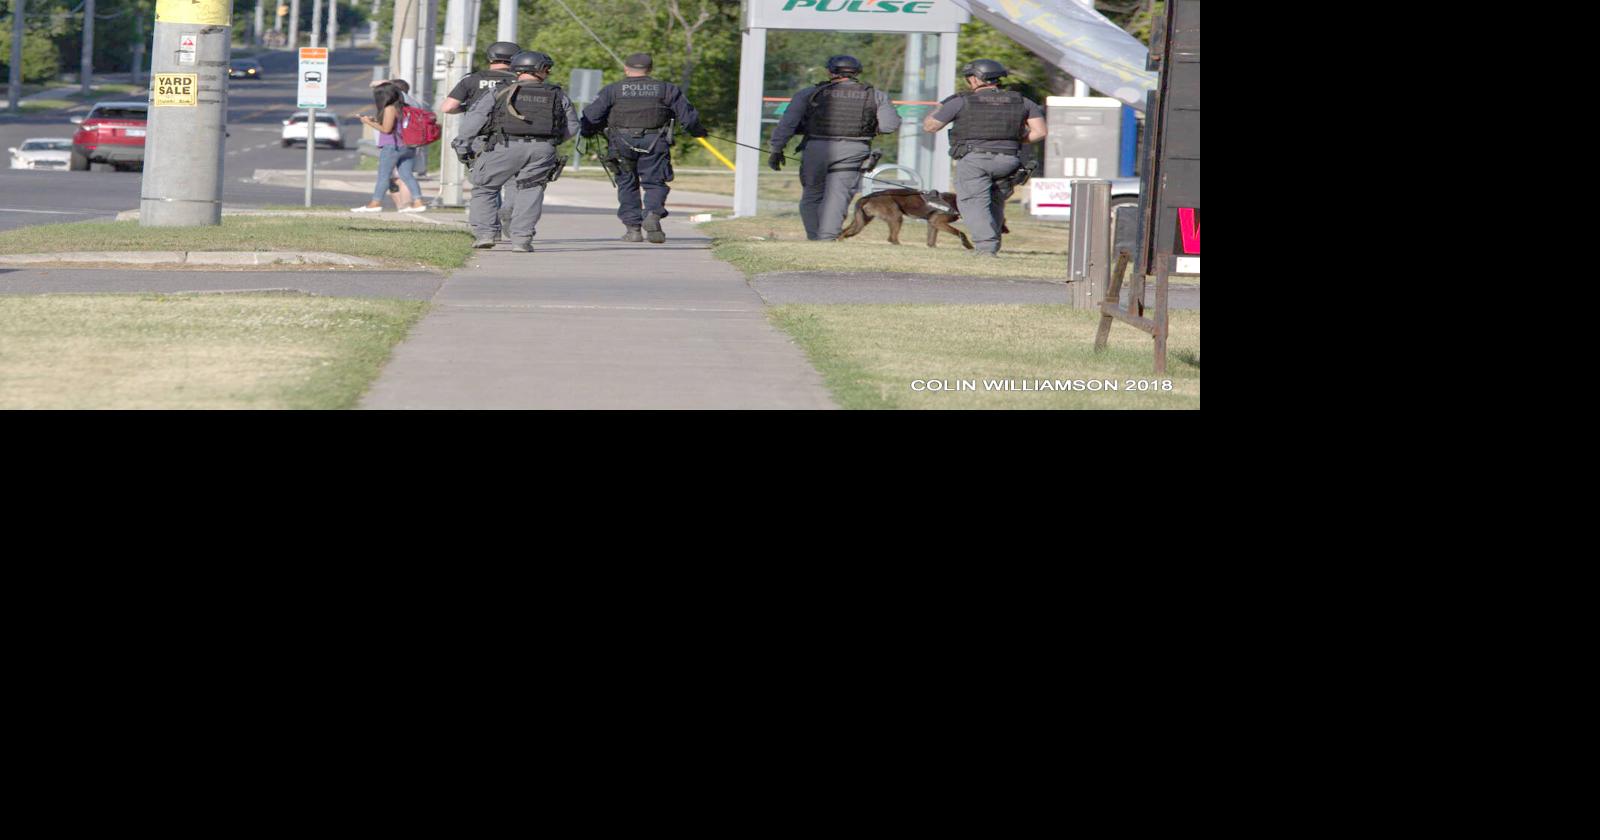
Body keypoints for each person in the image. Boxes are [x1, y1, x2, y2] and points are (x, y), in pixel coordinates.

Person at [921, 59, 1047, 257]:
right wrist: (1014, 140)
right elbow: (1039, 132)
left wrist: (942, 106)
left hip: (975, 160)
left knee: (974, 203)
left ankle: (986, 249)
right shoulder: (1022, 101)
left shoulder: (961, 101)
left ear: (975, 79)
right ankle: (992, 244)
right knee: (995, 202)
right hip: (1010, 159)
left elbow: (930, 126)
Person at [767, 55, 900, 241]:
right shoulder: (875, 95)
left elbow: (787, 125)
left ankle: (814, 237)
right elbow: (889, 126)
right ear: (857, 72)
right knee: (838, 196)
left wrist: (776, 149)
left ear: (830, 71)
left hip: (817, 147)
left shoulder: (809, 93)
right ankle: (827, 239)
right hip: (854, 149)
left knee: (812, 194)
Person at [458, 50, 578, 253]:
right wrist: (550, 142)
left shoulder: (499, 91)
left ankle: (486, 234)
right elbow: (573, 126)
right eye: (546, 69)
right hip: (543, 149)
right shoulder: (557, 94)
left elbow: (474, 120)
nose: (548, 73)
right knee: (530, 191)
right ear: (537, 70)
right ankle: (521, 239)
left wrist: (463, 144)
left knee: (485, 187)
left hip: (504, 146)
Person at [579, 52, 706, 244]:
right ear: (651, 69)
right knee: (655, 183)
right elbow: (689, 117)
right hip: (655, 141)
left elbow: (592, 115)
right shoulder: (667, 89)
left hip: (621, 142)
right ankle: (653, 214)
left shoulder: (613, 90)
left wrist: (588, 132)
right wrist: (698, 132)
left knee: (627, 183)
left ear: (626, 69)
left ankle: (633, 230)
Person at [441, 41, 522, 240]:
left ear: (490, 58)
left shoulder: (473, 80)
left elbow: (448, 107)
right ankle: (509, 213)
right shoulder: (520, 81)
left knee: (486, 185)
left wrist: (468, 108)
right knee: (514, 183)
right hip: (514, 139)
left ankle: (490, 230)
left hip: (481, 140)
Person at [353, 81, 426, 213]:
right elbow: (395, 125)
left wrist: (368, 122)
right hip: (408, 146)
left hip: (392, 146)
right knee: (407, 175)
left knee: (384, 176)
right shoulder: (404, 106)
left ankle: (375, 203)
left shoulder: (389, 108)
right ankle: (418, 201)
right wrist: (375, 120)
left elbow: (386, 129)